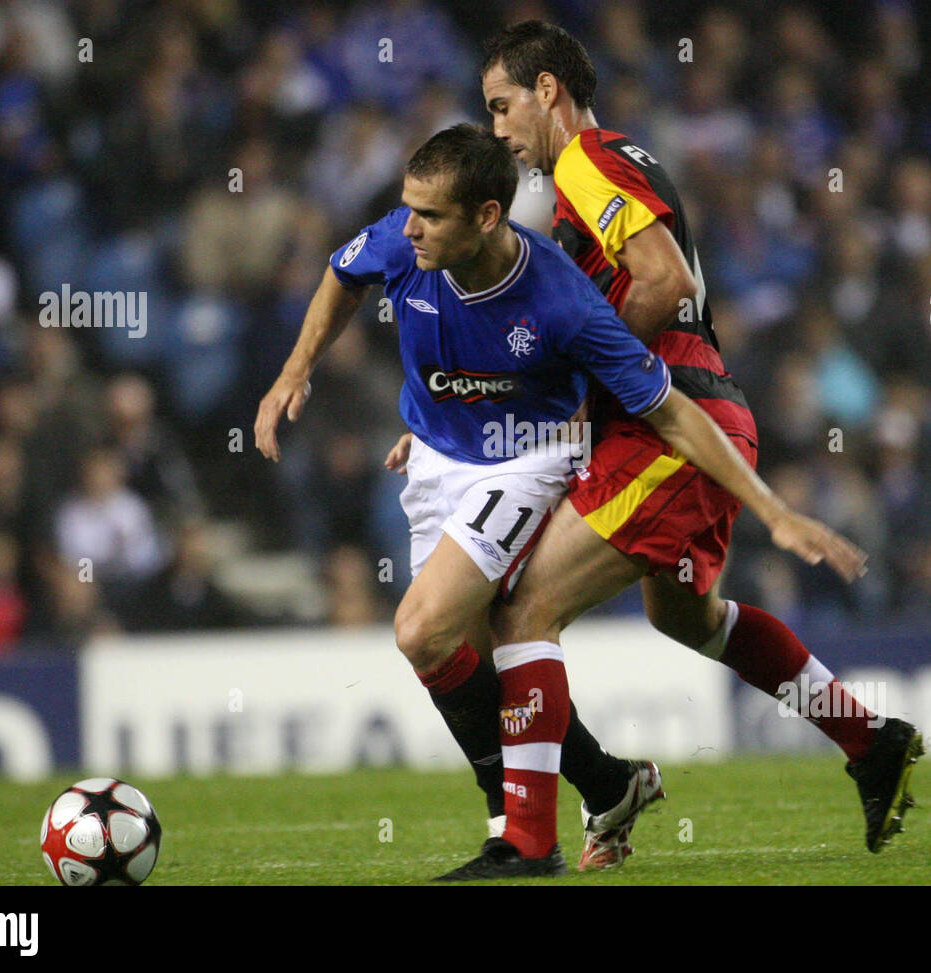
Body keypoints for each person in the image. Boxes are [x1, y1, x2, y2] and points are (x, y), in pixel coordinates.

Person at [256, 123, 866, 880]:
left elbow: (672, 411)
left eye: (429, 215)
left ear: (486, 217)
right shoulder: (401, 240)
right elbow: (340, 276)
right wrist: (295, 372)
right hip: (438, 456)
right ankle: (607, 783)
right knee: (460, 650)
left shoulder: (562, 303)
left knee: (421, 629)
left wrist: (774, 510)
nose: (407, 227)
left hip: (528, 460)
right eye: (406, 209)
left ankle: (520, 842)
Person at [424, 22, 921, 881]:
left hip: (670, 425)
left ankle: (527, 846)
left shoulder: (585, 159)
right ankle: (870, 741)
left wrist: (582, 389)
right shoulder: (623, 160)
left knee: (520, 613)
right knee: (683, 615)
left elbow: (663, 282)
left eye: (502, 106)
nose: (497, 130)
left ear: (547, 91)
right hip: (705, 413)